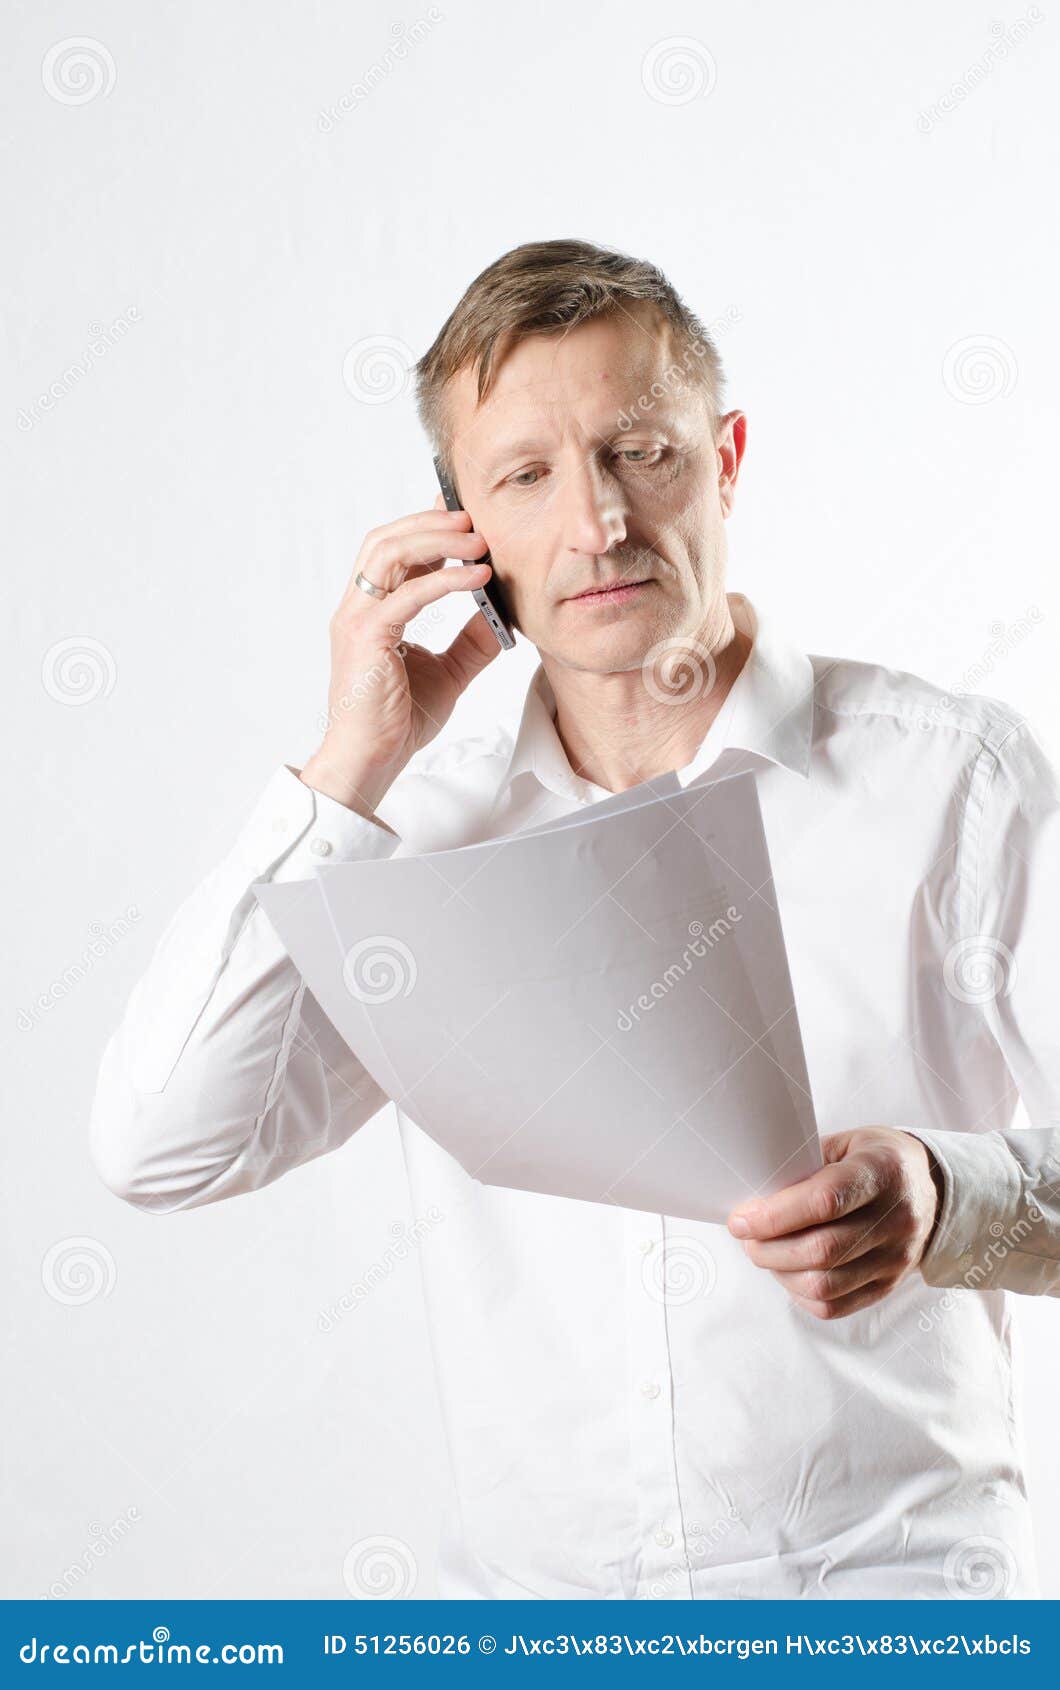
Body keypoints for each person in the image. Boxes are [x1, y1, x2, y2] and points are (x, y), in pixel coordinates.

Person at [90, 239, 1060, 1600]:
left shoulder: (950, 779)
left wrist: (951, 1197)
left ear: (726, 457)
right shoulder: (419, 841)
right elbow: (163, 1143)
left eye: (640, 452)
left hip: (886, 1615)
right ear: (461, 533)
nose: (598, 523)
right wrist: (346, 768)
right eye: (527, 476)